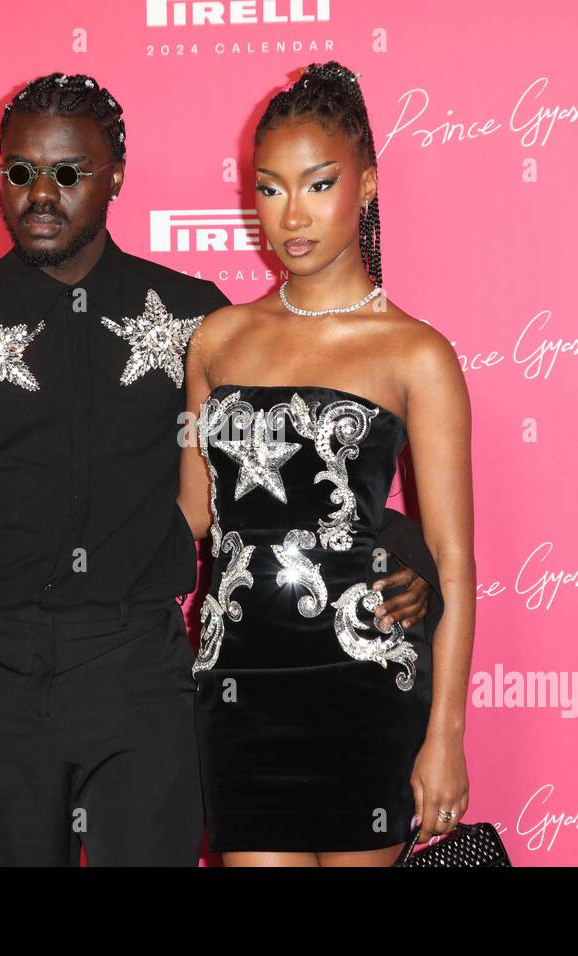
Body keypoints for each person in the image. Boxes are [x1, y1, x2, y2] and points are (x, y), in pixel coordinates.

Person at [0, 70, 440, 866]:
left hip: (141, 676)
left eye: (69, 173)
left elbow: (294, 467)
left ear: (115, 177)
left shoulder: (194, 319)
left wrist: (409, 558)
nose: (42, 193)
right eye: (19, 171)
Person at [177, 61, 477, 866]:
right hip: (237, 693)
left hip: (365, 686)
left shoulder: (416, 353)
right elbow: (190, 524)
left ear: (367, 186)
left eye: (318, 184)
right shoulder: (216, 340)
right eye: (269, 189)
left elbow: (453, 558)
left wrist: (445, 736)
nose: (291, 214)